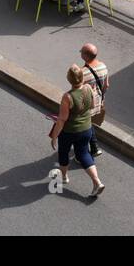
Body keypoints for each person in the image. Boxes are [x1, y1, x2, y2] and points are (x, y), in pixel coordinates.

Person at [49, 65, 106, 197]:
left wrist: (54, 136)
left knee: (63, 153)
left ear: (69, 80)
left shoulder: (67, 97)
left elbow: (62, 120)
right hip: (86, 129)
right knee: (84, 154)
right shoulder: (88, 89)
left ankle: (63, 177)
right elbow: (91, 106)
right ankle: (97, 182)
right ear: (82, 77)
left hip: (69, 132)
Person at [80, 43, 109, 157]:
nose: (80, 53)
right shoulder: (103, 66)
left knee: (82, 128)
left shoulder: (82, 72)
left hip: (87, 105)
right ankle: (94, 148)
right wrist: (100, 98)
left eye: (81, 52)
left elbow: (79, 92)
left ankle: (83, 153)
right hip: (99, 102)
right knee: (89, 123)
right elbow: (106, 85)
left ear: (85, 56)